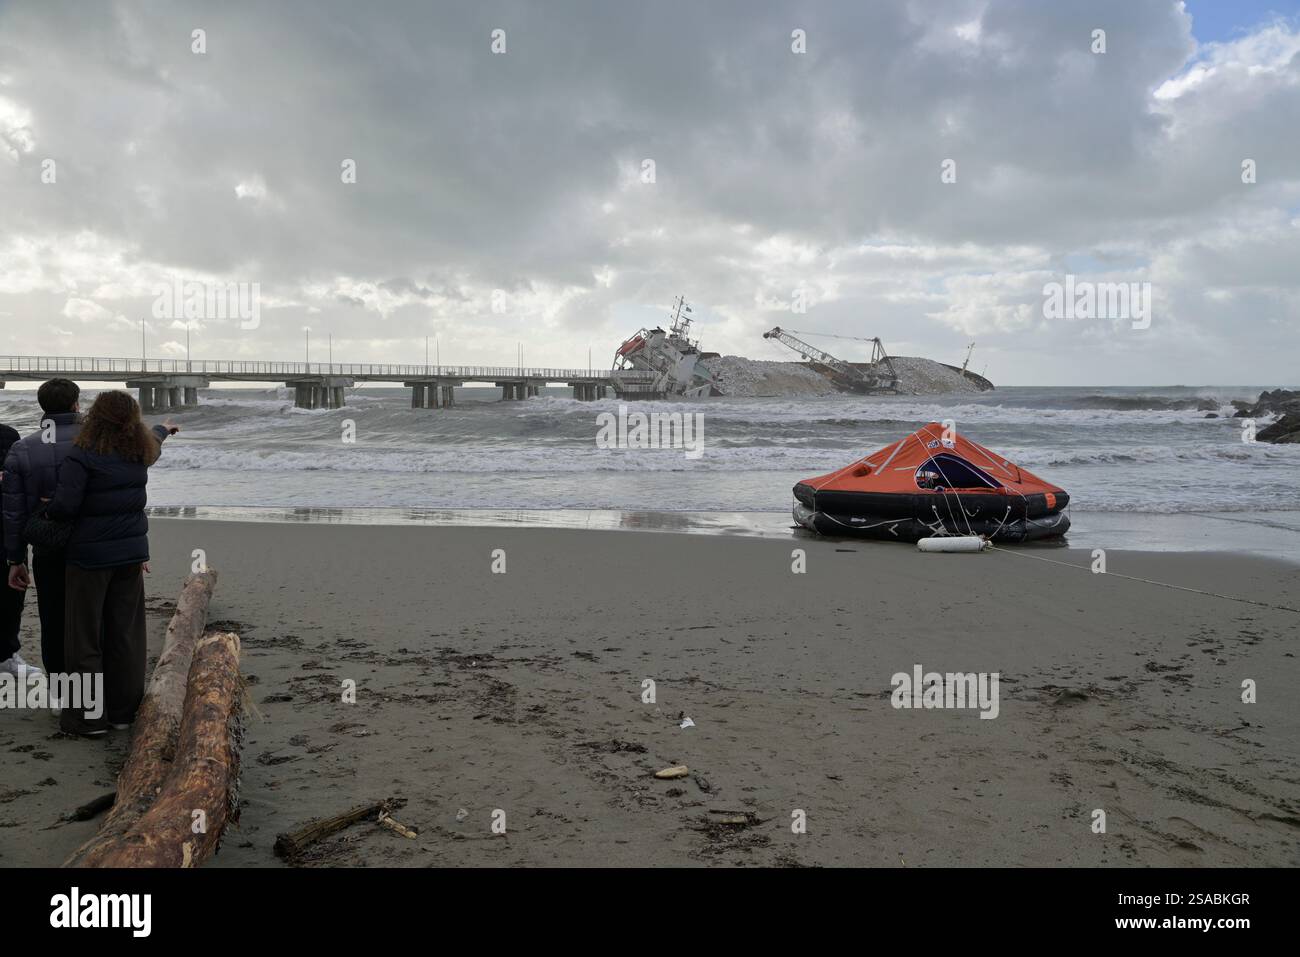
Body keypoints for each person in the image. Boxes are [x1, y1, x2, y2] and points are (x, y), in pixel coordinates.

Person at [46, 391, 178, 737]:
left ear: (93, 417)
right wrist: (163, 429)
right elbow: (154, 442)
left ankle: (88, 719)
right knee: (126, 636)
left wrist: (47, 504)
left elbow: (65, 508)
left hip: (89, 557)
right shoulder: (141, 452)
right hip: (130, 556)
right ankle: (122, 713)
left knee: (84, 639)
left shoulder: (83, 455)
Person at [3, 378, 82, 681]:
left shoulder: (23, 448)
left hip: (48, 546)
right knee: (94, 620)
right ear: (76, 404)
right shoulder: (97, 442)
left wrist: (15, 559)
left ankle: (61, 694)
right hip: (93, 544)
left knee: (53, 621)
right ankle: (98, 694)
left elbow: (13, 512)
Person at [0, 421, 38, 678]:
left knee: (12, 600)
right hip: (8, 540)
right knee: (11, 600)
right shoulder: (9, 437)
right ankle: (6, 656)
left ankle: (7, 655)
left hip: (10, 539)